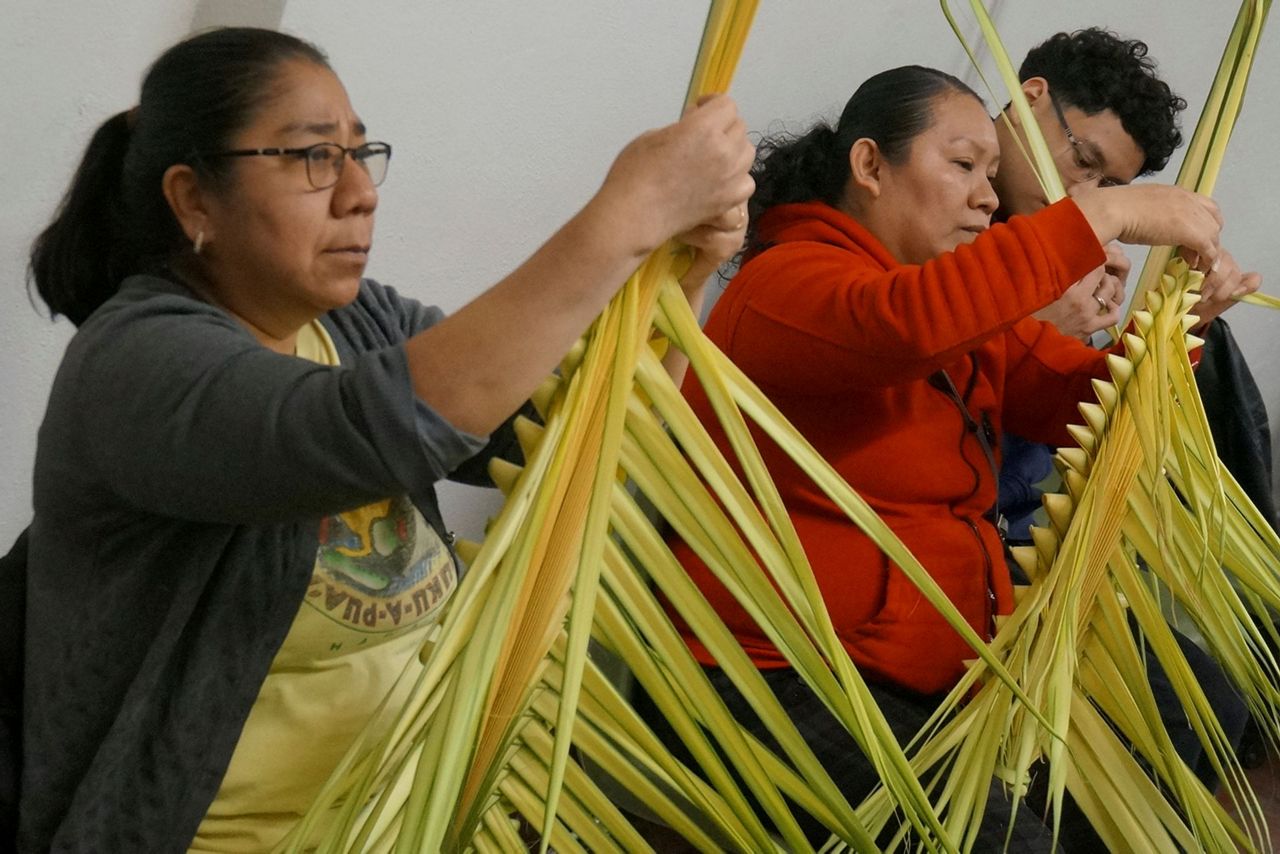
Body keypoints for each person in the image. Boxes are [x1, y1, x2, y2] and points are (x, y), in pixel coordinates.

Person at [12, 26, 754, 852]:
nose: (360, 191)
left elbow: (569, 424)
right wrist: (630, 214)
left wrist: (678, 267)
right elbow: (376, 428)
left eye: (363, 154)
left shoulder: (353, 322)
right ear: (194, 201)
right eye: (313, 157)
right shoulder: (136, 361)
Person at [664, 64, 1224, 848]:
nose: (988, 197)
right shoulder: (784, 284)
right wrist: (1104, 214)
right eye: (963, 165)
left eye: (991, 174)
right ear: (869, 167)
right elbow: (902, 329)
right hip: (778, 678)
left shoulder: (945, 298)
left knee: (1132, 800)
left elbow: (1081, 398)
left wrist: (1179, 327)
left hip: (928, 672)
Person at [991, 28, 1261, 542]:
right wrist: (1033, 322)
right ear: (1030, 100)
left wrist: (1182, 319)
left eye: (1110, 188)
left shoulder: (1057, 246)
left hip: (1001, 541)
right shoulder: (928, 192)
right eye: (1084, 161)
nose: (1083, 196)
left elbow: (1080, 411)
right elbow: (896, 354)